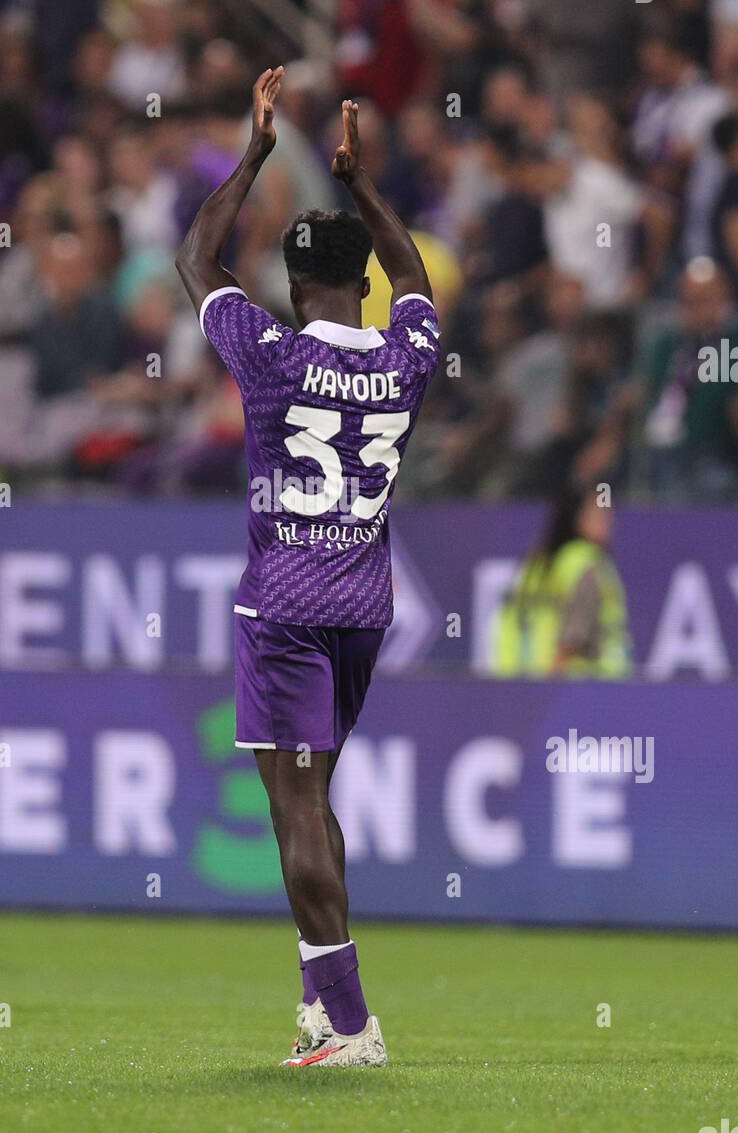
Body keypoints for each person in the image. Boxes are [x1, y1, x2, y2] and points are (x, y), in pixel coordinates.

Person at [176, 70, 440, 1067]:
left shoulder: (268, 352)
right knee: (312, 801)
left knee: (293, 808)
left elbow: (195, 257)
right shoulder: (405, 353)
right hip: (362, 605)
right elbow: (414, 277)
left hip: (283, 605)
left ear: (291, 288)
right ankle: (317, 1007)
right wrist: (360, 184)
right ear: (364, 280)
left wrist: (254, 154)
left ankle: (347, 1021)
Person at [492, 485, 631, 678]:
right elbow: (574, 635)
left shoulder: (538, 563)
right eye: (598, 512)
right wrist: (550, 682)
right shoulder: (586, 564)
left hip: (523, 677)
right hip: (584, 685)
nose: (608, 520)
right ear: (576, 517)